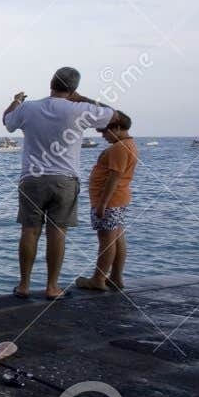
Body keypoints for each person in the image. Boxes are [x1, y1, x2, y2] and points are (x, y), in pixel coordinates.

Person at [0, 66, 118, 300]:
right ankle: (52, 287)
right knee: (57, 233)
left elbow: (7, 121)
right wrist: (80, 97)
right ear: (73, 88)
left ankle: (23, 285)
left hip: (32, 178)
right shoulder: (79, 109)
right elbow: (112, 114)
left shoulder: (28, 108)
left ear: (51, 83)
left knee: (29, 231)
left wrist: (15, 102)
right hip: (65, 180)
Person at [76, 111, 137, 292]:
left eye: (104, 132)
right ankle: (116, 277)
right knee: (117, 237)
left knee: (106, 240)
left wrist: (102, 203)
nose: (103, 136)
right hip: (119, 199)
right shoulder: (129, 144)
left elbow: (114, 177)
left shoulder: (119, 148)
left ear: (117, 128)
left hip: (110, 201)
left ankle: (98, 279)